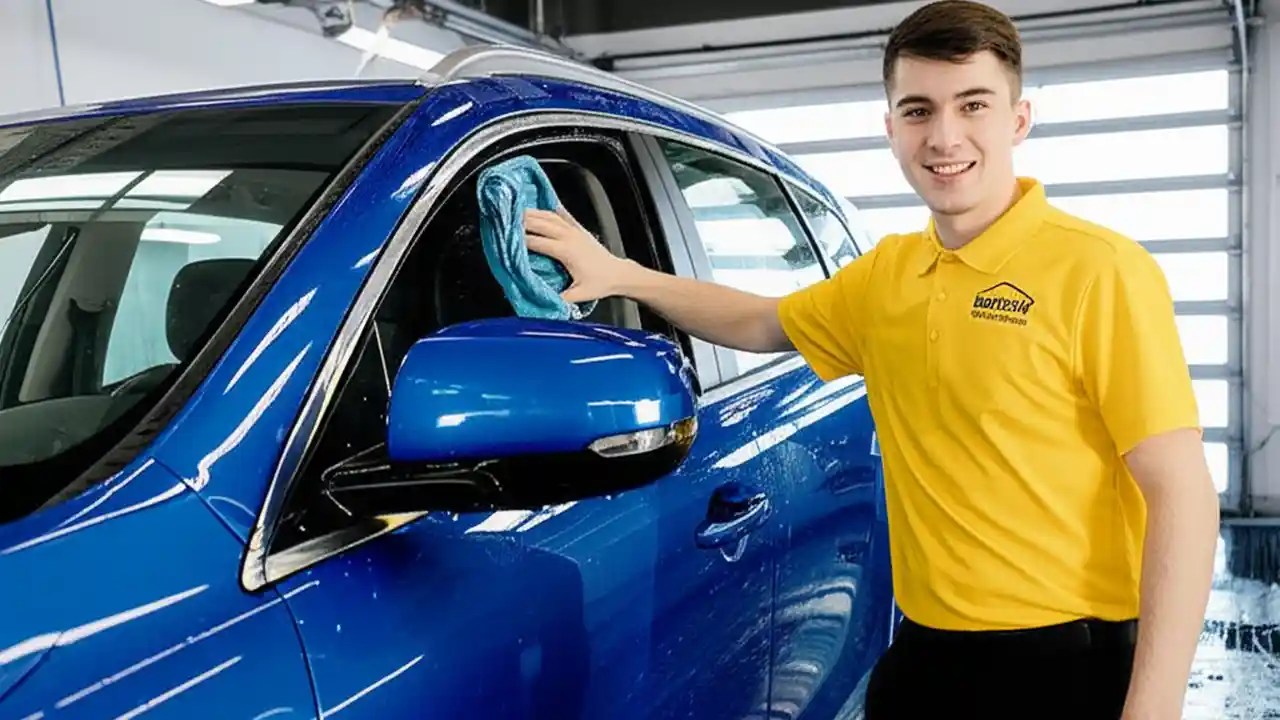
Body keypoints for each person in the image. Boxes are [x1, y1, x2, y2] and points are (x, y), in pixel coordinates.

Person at [523, 1, 1220, 717]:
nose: (944, 136)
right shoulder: (889, 275)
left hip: (1066, 667)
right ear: (891, 128)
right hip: (926, 655)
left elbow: (1182, 495)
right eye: (918, 111)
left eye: (972, 105)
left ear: (1018, 118)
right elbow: (764, 322)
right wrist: (618, 275)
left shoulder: (1101, 271)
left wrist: (1155, 704)